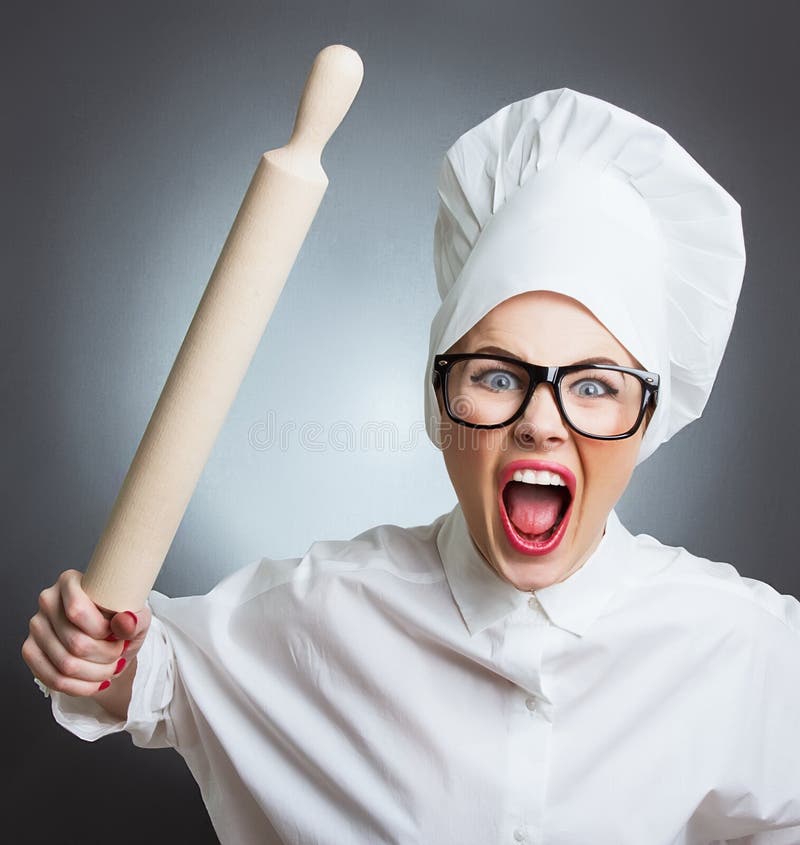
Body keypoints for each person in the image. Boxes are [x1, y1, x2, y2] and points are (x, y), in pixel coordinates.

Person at [22, 88, 800, 845]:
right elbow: (150, 675)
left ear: (647, 417)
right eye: (498, 375)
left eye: (594, 386)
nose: (539, 422)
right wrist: (93, 643)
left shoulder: (749, 648)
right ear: (440, 404)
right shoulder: (326, 612)